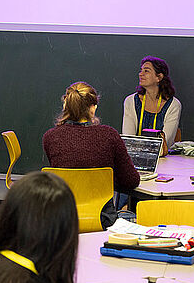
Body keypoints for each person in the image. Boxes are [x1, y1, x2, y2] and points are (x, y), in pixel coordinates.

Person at [43, 82, 139, 227]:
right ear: (92, 108)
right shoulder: (109, 135)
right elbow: (131, 181)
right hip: (103, 219)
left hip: (62, 218)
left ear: (65, 106)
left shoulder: (51, 137)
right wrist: (107, 179)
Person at [122, 56, 182, 149]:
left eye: (146, 71)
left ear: (159, 77)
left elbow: (165, 143)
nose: (140, 74)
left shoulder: (173, 105)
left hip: (163, 159)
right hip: (135, 157)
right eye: (141, 70)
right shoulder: (130, 101)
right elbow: (128, 140)